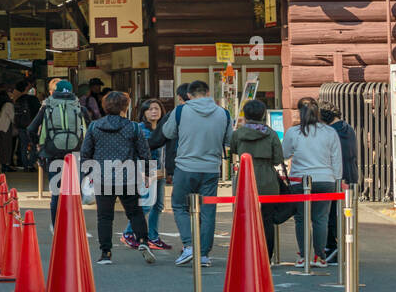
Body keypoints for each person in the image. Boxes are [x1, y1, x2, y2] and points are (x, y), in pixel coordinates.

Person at [80, 91, 156, 265]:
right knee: (135, 212)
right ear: (125, 107)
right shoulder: (134, 127)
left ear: (105, 107)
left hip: (102, 176)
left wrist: (87, 174)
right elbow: (144, 153)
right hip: (127, 176)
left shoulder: (94, 126)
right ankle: (143, 242)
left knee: (104, 216)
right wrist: (147, 173)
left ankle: (105, 253)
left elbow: (86, 153)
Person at [162, 80, 232, 267]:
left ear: (189, 95)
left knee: (179, 206)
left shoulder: (180, 111)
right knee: (208, 211)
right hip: (211, 169)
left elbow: (168, 133)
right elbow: (229, 139)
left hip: (185, 166)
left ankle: (188, 245)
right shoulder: (223, 113)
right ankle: (203, 254)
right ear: (208, 92)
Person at [283, 97, 342, 268]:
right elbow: (336, 159)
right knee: (320, 218)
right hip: (326, 179)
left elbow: (285, 154)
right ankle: (320, 256)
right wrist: (337, 180)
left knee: (301, 218)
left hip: (299, 179)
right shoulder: (330, 132)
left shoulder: (294, 132)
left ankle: (303, 256)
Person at [230, 99, 291, 259]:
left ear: (246, 114)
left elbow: (233, 150)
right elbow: (278, 159)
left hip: (244, 180)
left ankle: (246, 256)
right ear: (263, 114)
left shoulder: (238, 133)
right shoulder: (270, 133)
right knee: (267, 220)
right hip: (268, 180)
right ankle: (266, 257)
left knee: (244, 220)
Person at [26, 78, 86, 227]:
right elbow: (90, 130)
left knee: (57, 193)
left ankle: (57, 226)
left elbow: (31, 129)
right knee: (74, 192)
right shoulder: (78, 107)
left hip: (53, 154)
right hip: (75, 154)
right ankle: (73, 225)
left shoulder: (47, 107)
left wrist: (38, 146)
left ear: (55, 91)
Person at [122, 98, 172, 251]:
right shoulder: (140, 128)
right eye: (150, 109)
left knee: (158, 205)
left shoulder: (165, 128)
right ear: (144, 112)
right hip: (145, 171)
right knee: (146, 205)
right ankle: (128, 233)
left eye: (157, 108)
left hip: (160, 171)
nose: (154, 111)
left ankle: (153, 237)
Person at [321, 105, 357, 263]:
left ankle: (333, 246)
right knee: (344, 213)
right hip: (351, 174)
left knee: (330, 213)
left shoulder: (331, 132)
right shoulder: (347, 128)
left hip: (338, 176)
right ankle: (343, 246)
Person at [14, 83, 42, 170]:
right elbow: (39, 113)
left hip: (21, 126)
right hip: (32, 126)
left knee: (23, 145)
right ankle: (31, 164)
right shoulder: (34, 99)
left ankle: (25, 165)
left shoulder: (18, 100)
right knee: (34, 145)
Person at [0, 85, 19, 172]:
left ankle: (3, 164)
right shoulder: (8, 104)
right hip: (5, 128)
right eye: (9, 93)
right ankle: (6, 165)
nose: (11, 94)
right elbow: (12, 117)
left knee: (1, 148)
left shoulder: (0, 105)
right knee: (7, 147)